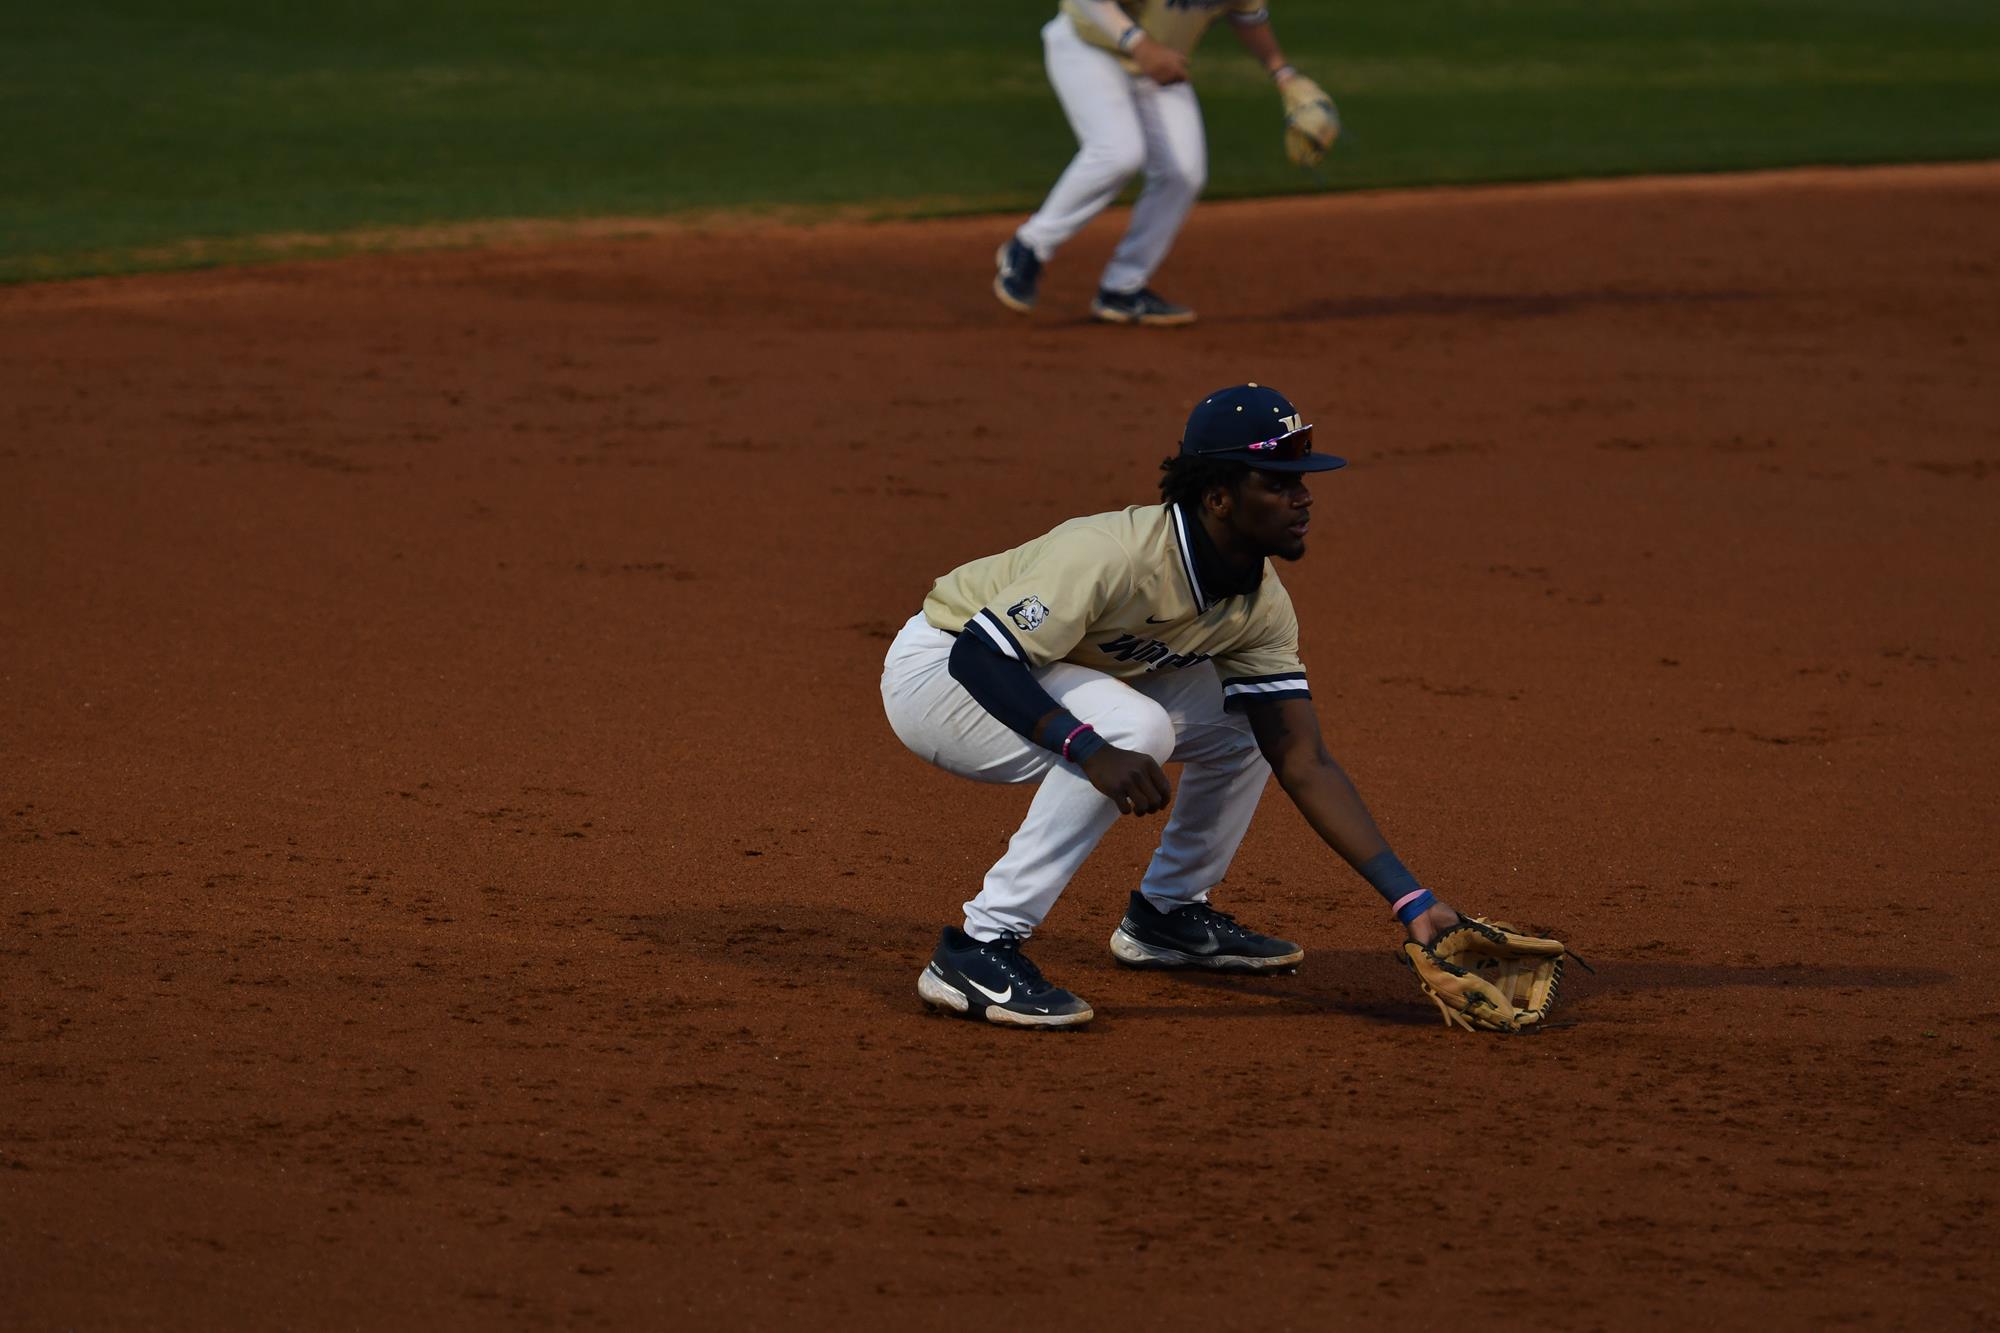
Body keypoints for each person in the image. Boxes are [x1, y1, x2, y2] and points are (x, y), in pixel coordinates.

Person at [879, 384, 1464, 1028]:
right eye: (1278, 482)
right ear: (1218, 496)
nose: (1303, 498)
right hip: (941, 675)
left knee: (1246, 718)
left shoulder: (1260, 606)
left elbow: (1303, 757)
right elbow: (979, 658)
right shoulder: (1110, 553)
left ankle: (1167, 913)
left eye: (1302, 480)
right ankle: (979, 946)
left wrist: (1411, 899)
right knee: (1135, 726)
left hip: (1051, 671)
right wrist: (1088, 748)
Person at [994, 0, 1325, 327]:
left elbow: (1247, 15)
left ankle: (1122, 288)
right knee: (1117, 153)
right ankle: (1029, 247)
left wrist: (1283, 73)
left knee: (1184, 174)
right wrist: (1139, 44)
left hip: (1159, 64)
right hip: (1088, 48)